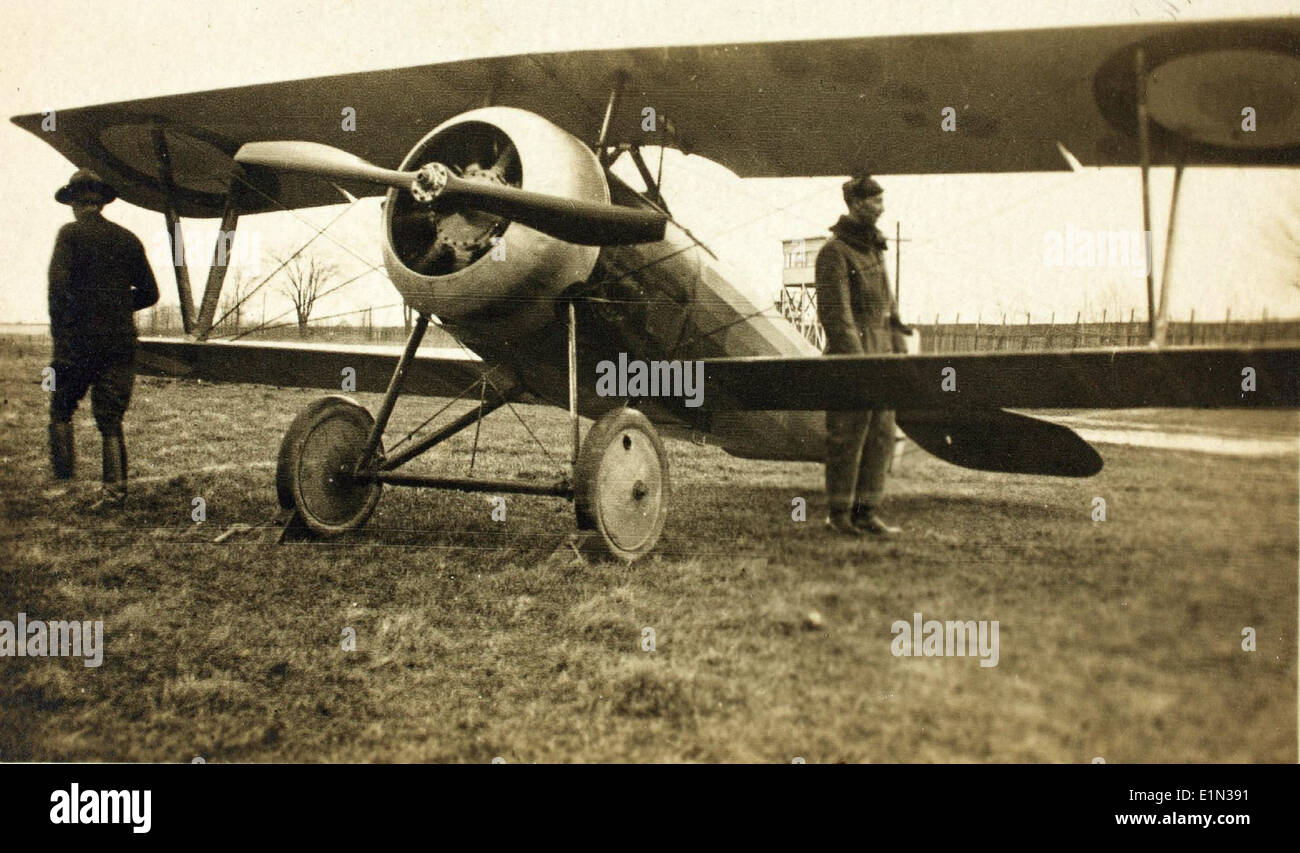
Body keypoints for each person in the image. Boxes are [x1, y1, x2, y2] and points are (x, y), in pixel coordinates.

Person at [46, 168, 159, 511]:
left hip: (78, 344)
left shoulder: (69, 234)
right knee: (110, 420)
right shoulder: (128, 239)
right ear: (100, 202)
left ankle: (64, 483)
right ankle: (115, 494)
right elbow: (151, 293)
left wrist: (62, 336)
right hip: (120, 343)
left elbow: (57, 291)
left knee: (60, 408)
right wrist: (117, 304)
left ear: (75, 203)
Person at [814, 173, 912, 537]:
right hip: (851, 360)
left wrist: (899, 350)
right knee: (847, 436)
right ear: (855, 204)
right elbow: (836, 317)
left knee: (881, 436)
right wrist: (858, 365)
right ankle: (838, 516)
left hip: (882, 357)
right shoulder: (834, 252)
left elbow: (890, 308)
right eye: (875, 201)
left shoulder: (874, 249)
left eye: (882, 200)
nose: (881, 207)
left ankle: (866, 513)